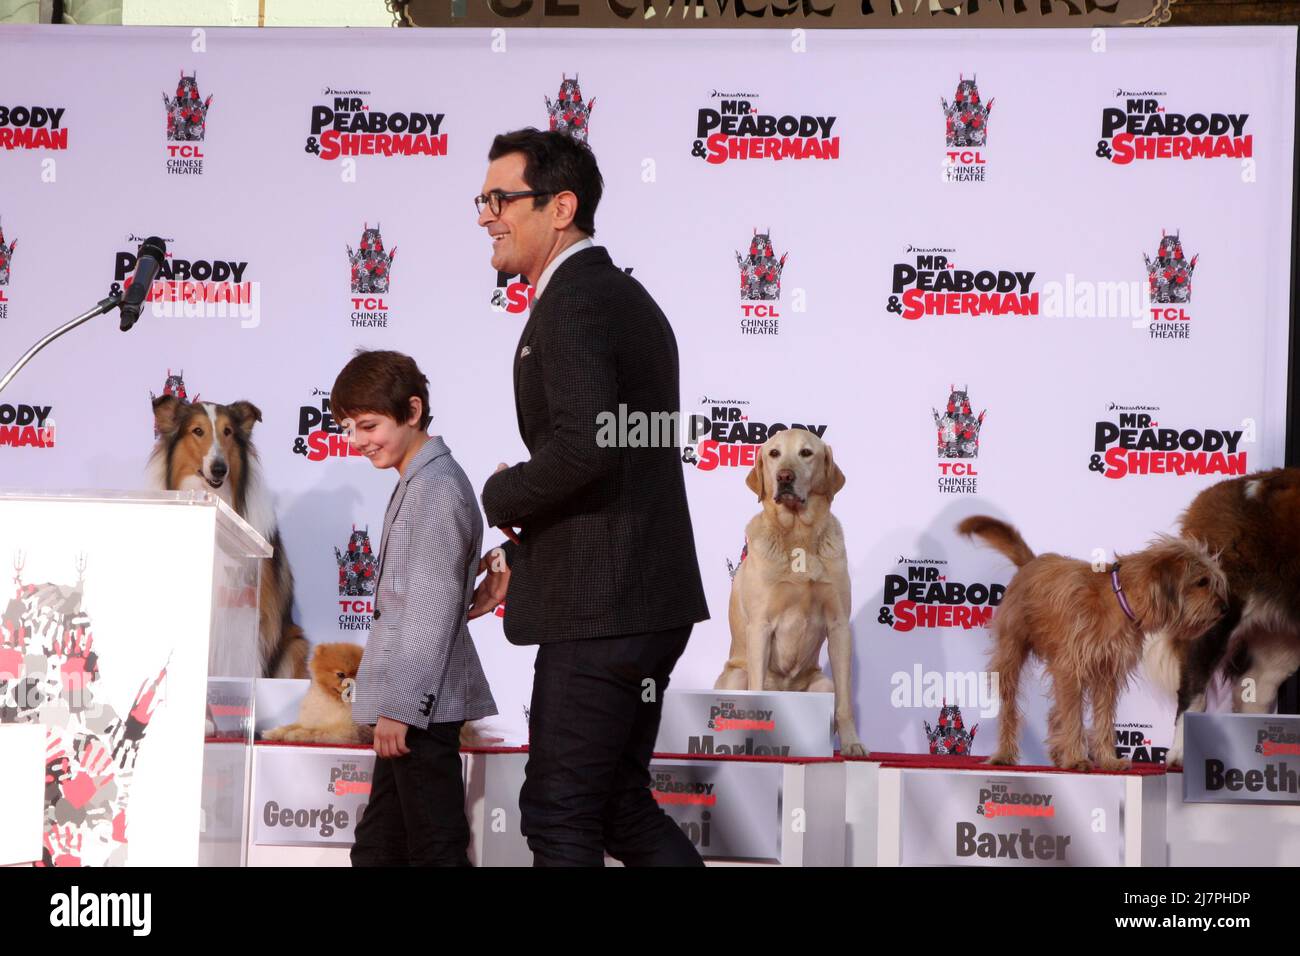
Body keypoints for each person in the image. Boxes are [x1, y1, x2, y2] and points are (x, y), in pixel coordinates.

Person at [470, 128, 709, 866]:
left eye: (500, 198)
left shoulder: (575, 303)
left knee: (561, 814)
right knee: (617, 809)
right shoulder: (616, 295)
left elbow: (588, 447)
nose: (485, 215)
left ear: (560, 206)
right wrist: (526, 534)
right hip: (639, 600)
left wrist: (501, 490)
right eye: (481, 200)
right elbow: (611, 454)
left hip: (605, 610)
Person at [331, 348, 497, 867]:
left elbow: (428, 608)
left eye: (368, 425)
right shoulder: (418, 481)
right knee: (380, 847)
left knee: (434, 847)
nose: (357, 441)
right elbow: (430, 598)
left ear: (413, 410)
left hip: (419, 710)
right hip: (412, 704)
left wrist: (399, 709)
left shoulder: (436, 488)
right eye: (348, 428)